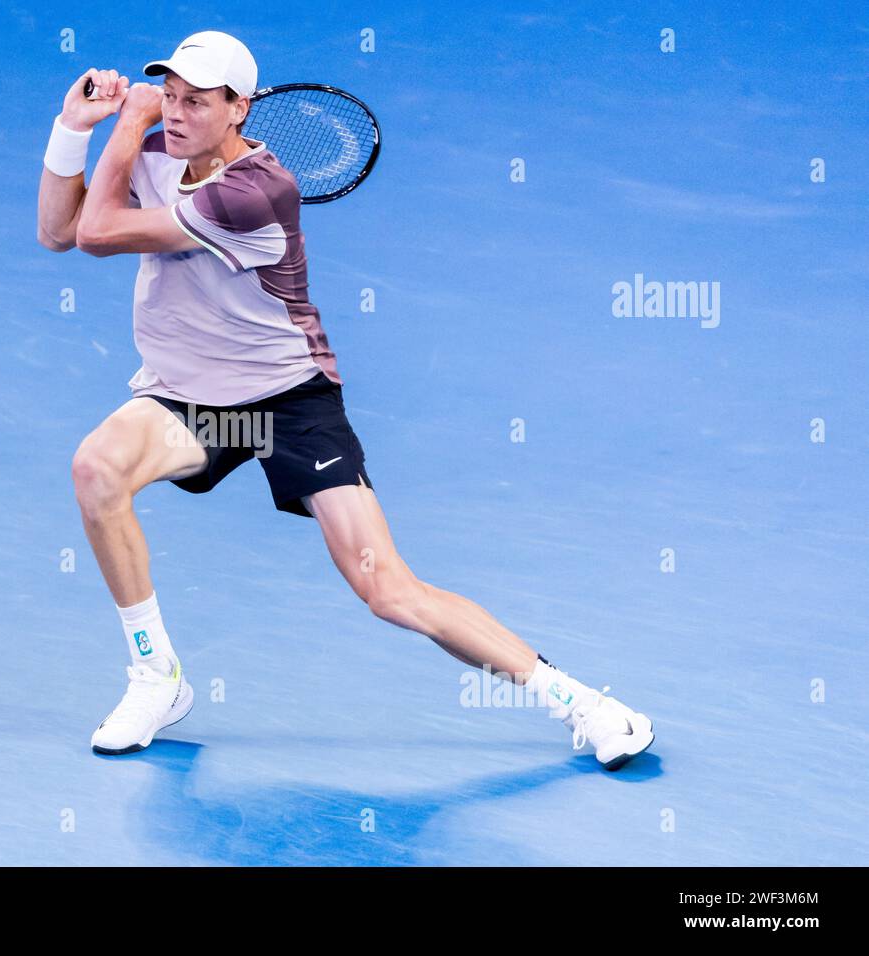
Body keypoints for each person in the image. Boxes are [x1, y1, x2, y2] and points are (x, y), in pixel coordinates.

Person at [36, 31, 654, 770]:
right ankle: (155, 677)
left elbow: (98, 232)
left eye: (196, 102)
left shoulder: (255, 192)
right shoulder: (163, 148)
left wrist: (127, 124)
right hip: (187, 398)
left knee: (387, 589)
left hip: (289, 400)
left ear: (240, 109)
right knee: (96, 469)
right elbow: (56, 232)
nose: (176, 113)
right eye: (168, 95)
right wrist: (72, 129)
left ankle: (582, 702)